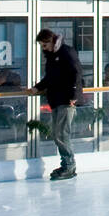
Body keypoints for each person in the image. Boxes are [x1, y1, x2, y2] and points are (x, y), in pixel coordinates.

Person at [27, 29, 84, 180]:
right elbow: (50, 78)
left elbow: (77, 73)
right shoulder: (52, 56)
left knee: (62, 134)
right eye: (41, 45)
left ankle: (69, 166)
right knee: (58, 134)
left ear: (51, 42)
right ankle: (66, 164)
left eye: (44, 45)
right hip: (56, 99)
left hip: (66, 99)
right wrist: (36, 88)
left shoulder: (66, 52)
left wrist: (74, 95)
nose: (43, 48)